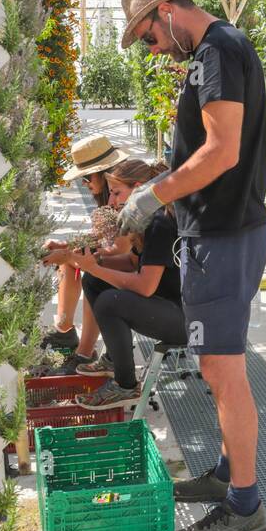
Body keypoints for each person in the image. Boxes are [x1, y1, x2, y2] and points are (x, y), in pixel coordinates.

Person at [116, 0, 266, 531]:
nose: (154, 52)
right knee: (217, 367)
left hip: (223, 238)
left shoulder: (216, 52)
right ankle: (231, 474)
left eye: (150, 39)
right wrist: (158, 188)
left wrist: (155, 194)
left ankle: (245, 505)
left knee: (223, 372)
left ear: (166, 14)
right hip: (221, 235)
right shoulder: (217, 50)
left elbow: (222, 150)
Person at [52, 158, 187, 409]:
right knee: (94, 281)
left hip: (183, 321)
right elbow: (130, 263)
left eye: (116, 193)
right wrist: (90, 261)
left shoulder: (159, 222)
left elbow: (145, 286)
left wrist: (92, 265)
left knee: (109, 302)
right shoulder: (149, 219)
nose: (111, 201)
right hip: (168, 308)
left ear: (137, 188)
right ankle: (115, 359)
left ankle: (125, 386)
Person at [40, 134, 131, 374]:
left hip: (135, 266)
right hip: (120, 260)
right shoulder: (107, 198)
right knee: (69, 263)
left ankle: (84, 351)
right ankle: (64, 330)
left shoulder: (124, 197)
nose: (85, 184)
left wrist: (72, 254)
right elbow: (97, 240)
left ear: (103, 173)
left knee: (91, 274)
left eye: (87, 177)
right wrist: (66, 247)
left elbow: (121, 248)